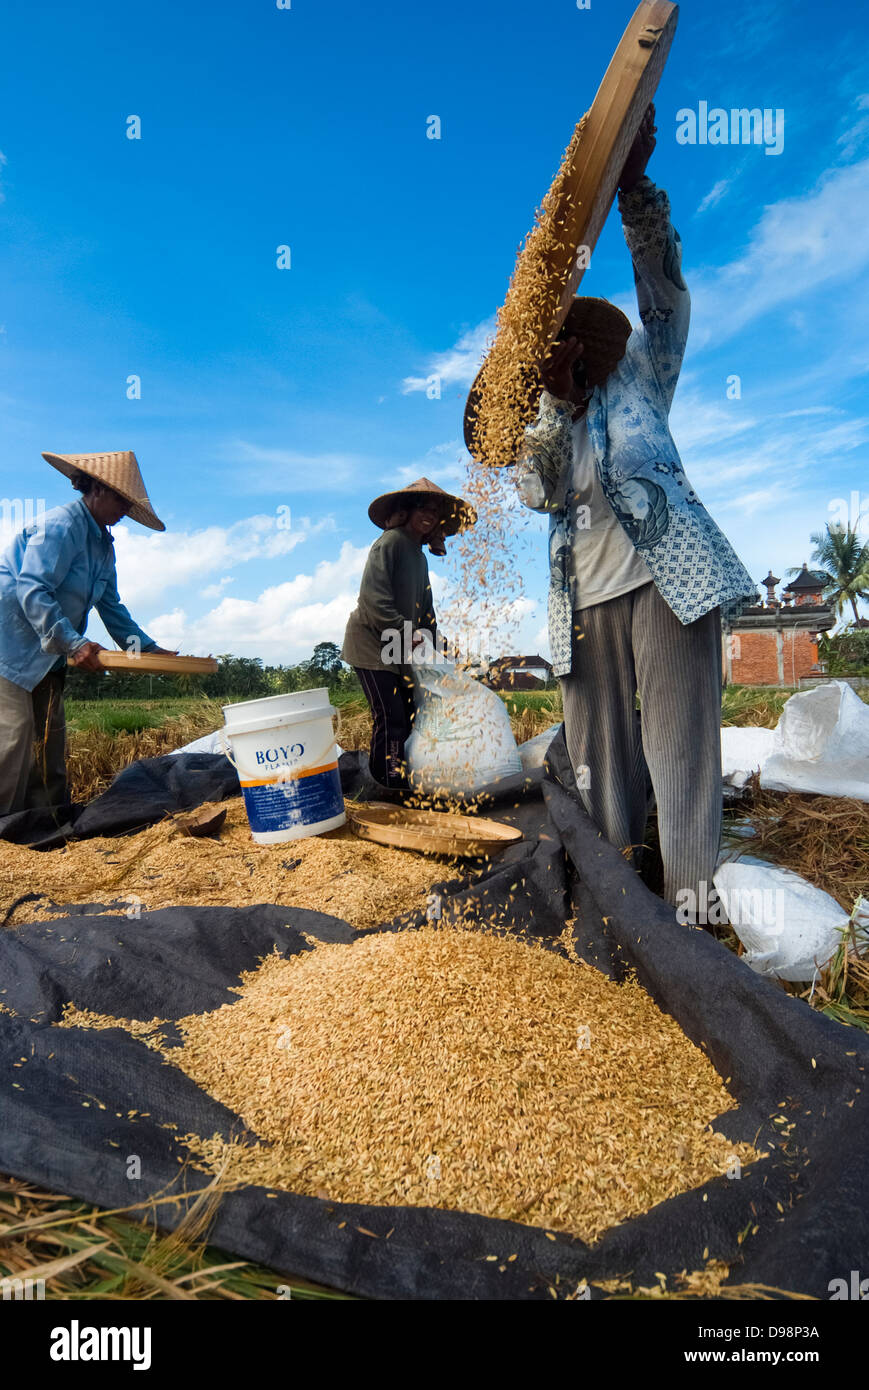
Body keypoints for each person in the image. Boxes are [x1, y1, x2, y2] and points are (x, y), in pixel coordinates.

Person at [514, 105, 757, 911]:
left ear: (598, 346)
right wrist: (552, 405)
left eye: (580, 347)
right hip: (581, 605)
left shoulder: (641, 379)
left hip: (667, 580)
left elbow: (665, 296)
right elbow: (538, 492)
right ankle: (621, 902)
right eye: (558, 353)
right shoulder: (540, 429)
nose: (573, 359)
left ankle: (692, 910)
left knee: (681, 749)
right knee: (597, 762)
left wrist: (634, 190)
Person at [0, 449, 177, 815]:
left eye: (130, 503)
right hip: (10, 644)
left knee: (52, 737)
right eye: (120, 499)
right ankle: (5, 830)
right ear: (95, 488)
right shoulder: (61, 527)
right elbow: (32, 588)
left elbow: (111, 606)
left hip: (46, 653)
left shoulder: (102, 545)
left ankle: (49, 822)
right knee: (15, 735)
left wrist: (148, 648)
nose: (124, 510)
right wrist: (75, 643)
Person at [342, 477, 475, 792]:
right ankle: (385, 787)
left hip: (398, 648)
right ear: (406, 511)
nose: (428, 515)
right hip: (372, 645)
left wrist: (443, 648)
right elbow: (374, 601)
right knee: (391, 718)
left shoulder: (419, 556)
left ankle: (399, 779)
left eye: (434, 511)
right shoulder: (391, 542)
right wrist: (408, 631)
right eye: (422, 508)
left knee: (408, 717)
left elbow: (425, 614)